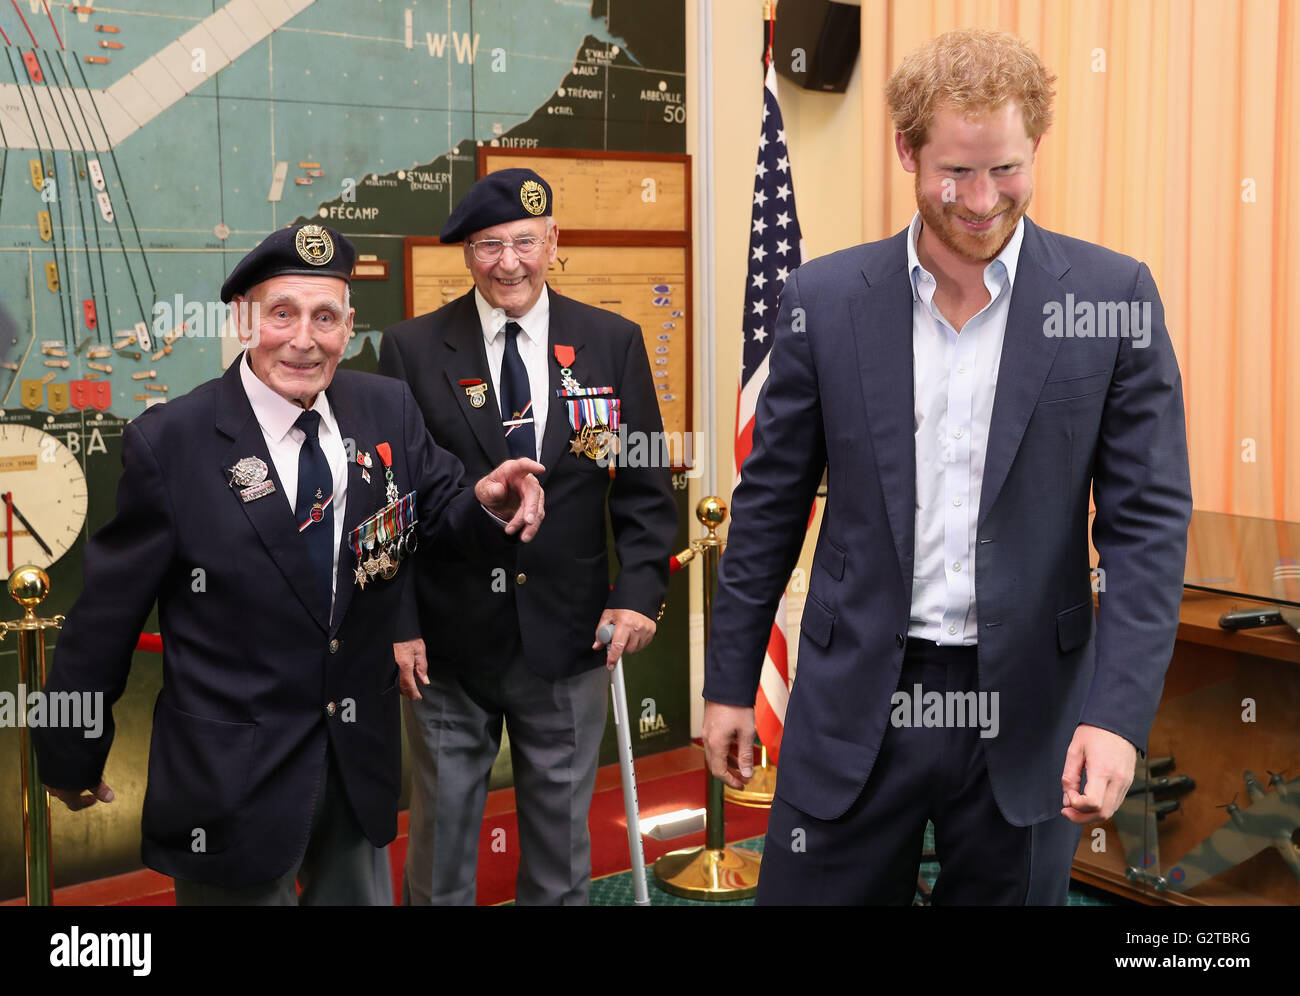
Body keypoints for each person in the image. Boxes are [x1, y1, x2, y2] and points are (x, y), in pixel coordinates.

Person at [701, 28, 1193, 905]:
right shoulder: (826, 300)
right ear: (905, 150)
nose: (979, 200)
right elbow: (770, 503)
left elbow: (1147, 530)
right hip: (855, 700)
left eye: (1004, 169)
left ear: (1034, 147)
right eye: (954, 173)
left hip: (1030, 712)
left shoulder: (1111, 299)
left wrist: (1116, 718)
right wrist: (730, 681)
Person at [33, 223, 545, 905]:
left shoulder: (385, 406)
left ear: (348, 324)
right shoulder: (172, 444)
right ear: (245, 320)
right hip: (230, 783)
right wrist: (71, 752)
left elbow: (441, 509)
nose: (305, 338)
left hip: (355, 766)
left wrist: (484, 501)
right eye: (282, 313)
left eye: (325, 317)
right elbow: (105, 618)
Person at [379, 168, 677, 905]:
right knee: (441, 850)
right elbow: (389, 501)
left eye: (524, 242)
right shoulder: (412, 349)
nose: (508, 262)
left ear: (553, 243)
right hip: (446, 649)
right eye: (488, 246)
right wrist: (400, 621)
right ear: (466, 253)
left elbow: (644, 486)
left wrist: (639, 592)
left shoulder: (612, 342)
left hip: (570, 637)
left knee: (559, 858)